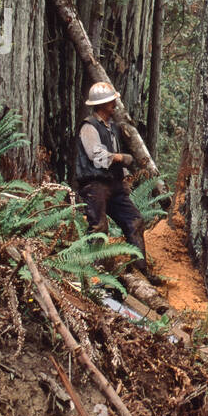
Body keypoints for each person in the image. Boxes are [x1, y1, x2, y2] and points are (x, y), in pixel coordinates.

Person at [75, 82, 163, 285]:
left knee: (134, 220)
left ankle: (140, 272)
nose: (115, 103)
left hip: (114, 185)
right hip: (94, 185)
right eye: (111, 101)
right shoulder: (89, 126)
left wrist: (123, 176)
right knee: (98, 228)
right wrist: (120, 158)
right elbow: (96, 156)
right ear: (102, 104)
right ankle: (95, 276)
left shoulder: (112, 128)